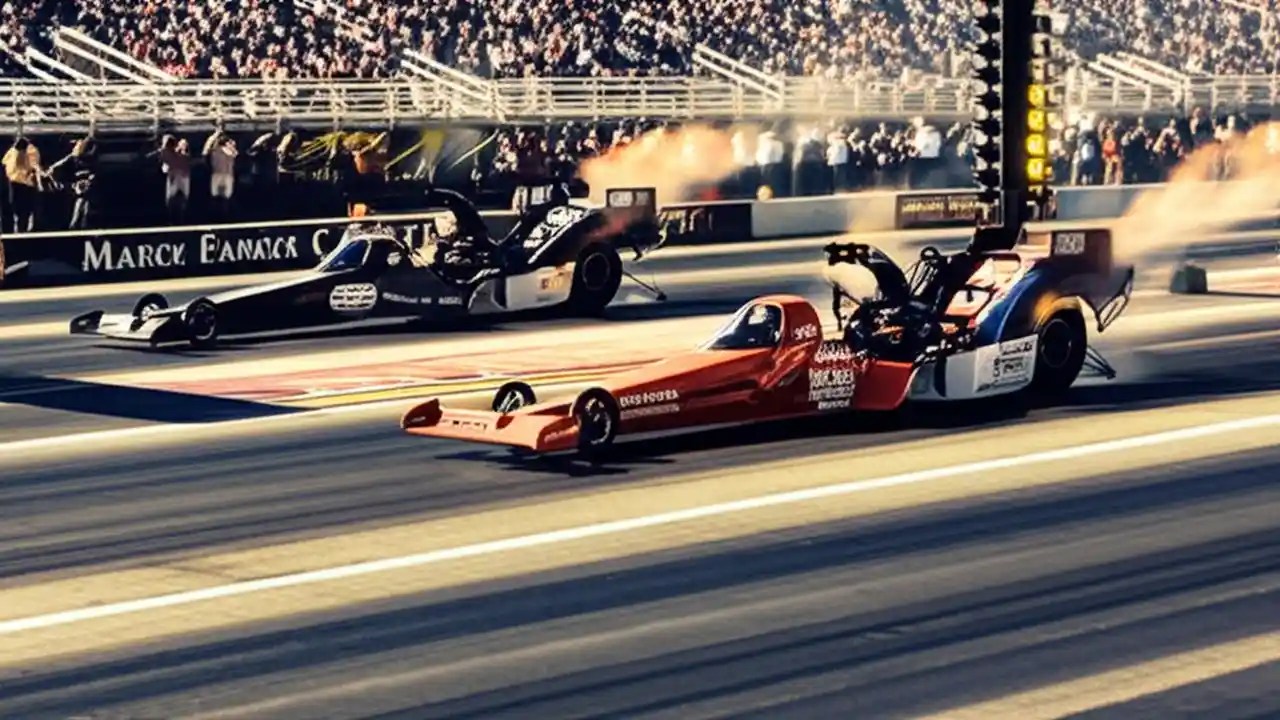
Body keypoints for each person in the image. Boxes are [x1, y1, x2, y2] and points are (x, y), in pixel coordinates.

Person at [3, 137, 42, 232]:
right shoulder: (13, 152)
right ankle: (19, 227)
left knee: (25, 209)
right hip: (15, 183)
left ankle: (25, 227)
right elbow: (5, 162)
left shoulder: (32, 151)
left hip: (26, 184)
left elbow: (35, 166)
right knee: (16, 208)